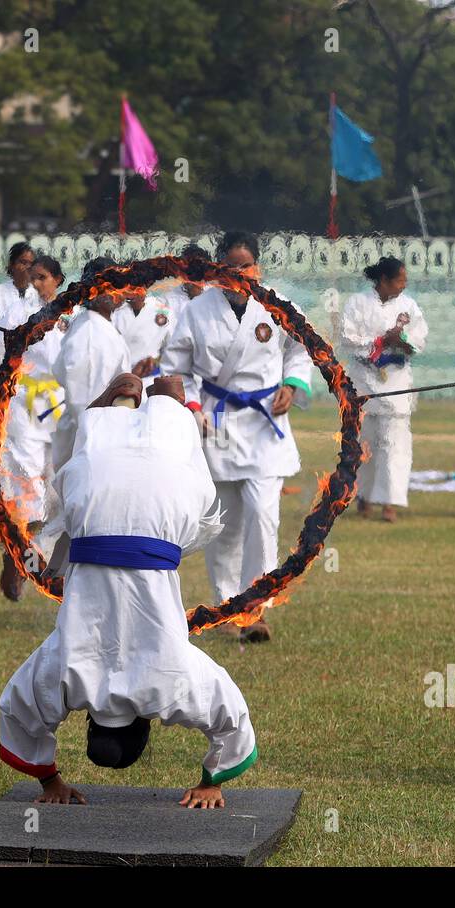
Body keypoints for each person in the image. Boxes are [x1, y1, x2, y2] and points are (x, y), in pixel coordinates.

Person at [0, 372, 256, 808]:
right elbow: (17, 714)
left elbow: (231, 718)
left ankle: (169, 406)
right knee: (90, 477)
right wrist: (48, 781)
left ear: (146, 724)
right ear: (90, 724)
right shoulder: (65, 674)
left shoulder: (171, 683)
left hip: (163, 509)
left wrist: (213, 779)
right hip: (92, 505)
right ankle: (111, 414)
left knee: (182, 503)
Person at [160, 231, 312, 642]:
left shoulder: (277, 304)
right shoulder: (197, 310)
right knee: (224, 524)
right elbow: (175, 366)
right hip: (218, 420)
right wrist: (191, 406)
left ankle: (255, 605)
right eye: (230, 267)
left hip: (265, 420)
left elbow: (300, 349)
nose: (238, 273)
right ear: (218, 268)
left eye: (246, 266)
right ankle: (229, 604)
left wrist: (294, 384)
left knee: (264, 516)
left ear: (258, 267)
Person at [0, 255, 71, 598]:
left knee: (59, 486)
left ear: (57, 280)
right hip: (23, 407)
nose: (37, 283)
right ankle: (17, 555)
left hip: (60, 408)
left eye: (43, 277)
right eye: (33, 277)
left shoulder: (74, 316)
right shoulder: (16, 312)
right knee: (25, 483)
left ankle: (35, 552)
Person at [341, 257, 428, 522]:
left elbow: (419, 340)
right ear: (384, 280)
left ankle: (389, 502)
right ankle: (364, 497)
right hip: (364, 380)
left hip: (396, 382)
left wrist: (399, 340)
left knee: (393, 443)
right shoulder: (357, 303)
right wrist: (379, 341)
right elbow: (348, 338)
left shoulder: (409, 306)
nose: (404, 284)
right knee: (364, 443)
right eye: (400, 280)